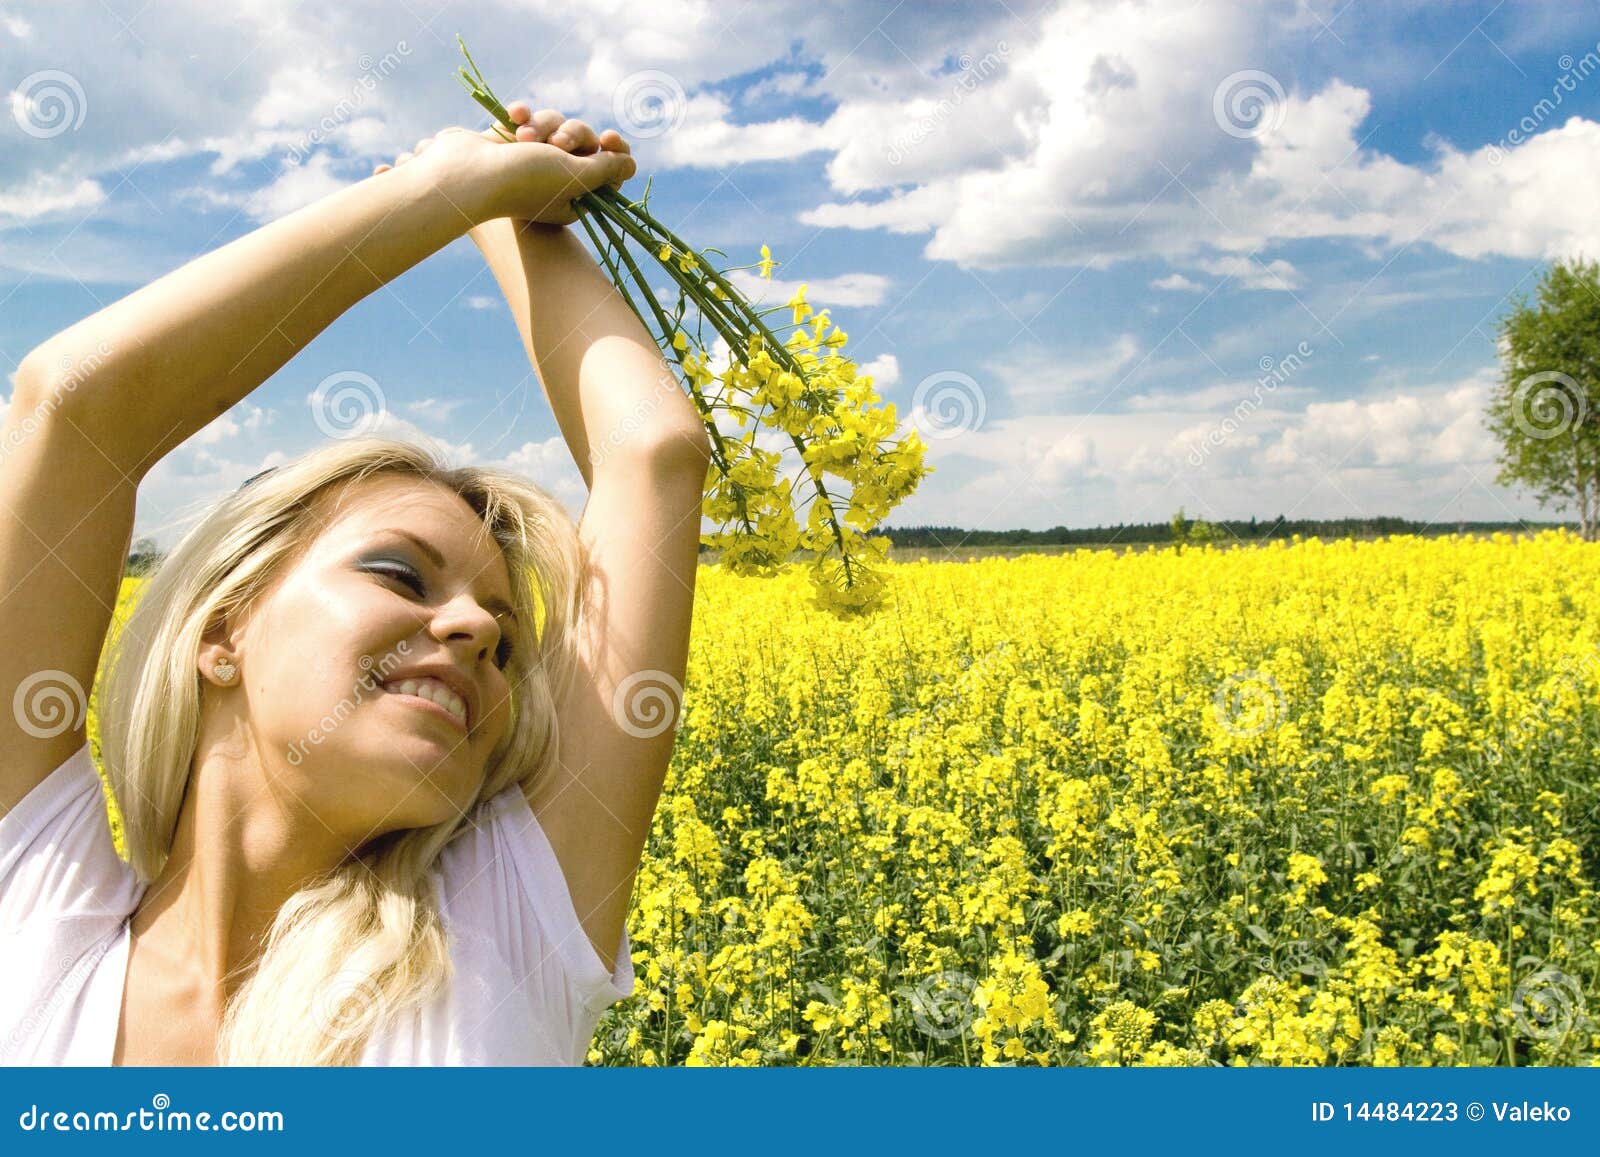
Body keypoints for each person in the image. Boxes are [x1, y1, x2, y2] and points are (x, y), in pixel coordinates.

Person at [0, 102, 710, 1065]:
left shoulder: (505, 931)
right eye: (399, 573)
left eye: (504, 639)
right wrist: (452, 188)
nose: (470, 631)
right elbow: (74, 403)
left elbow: (654, 454)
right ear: (222, 630)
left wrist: (512, 213)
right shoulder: (34, 914)